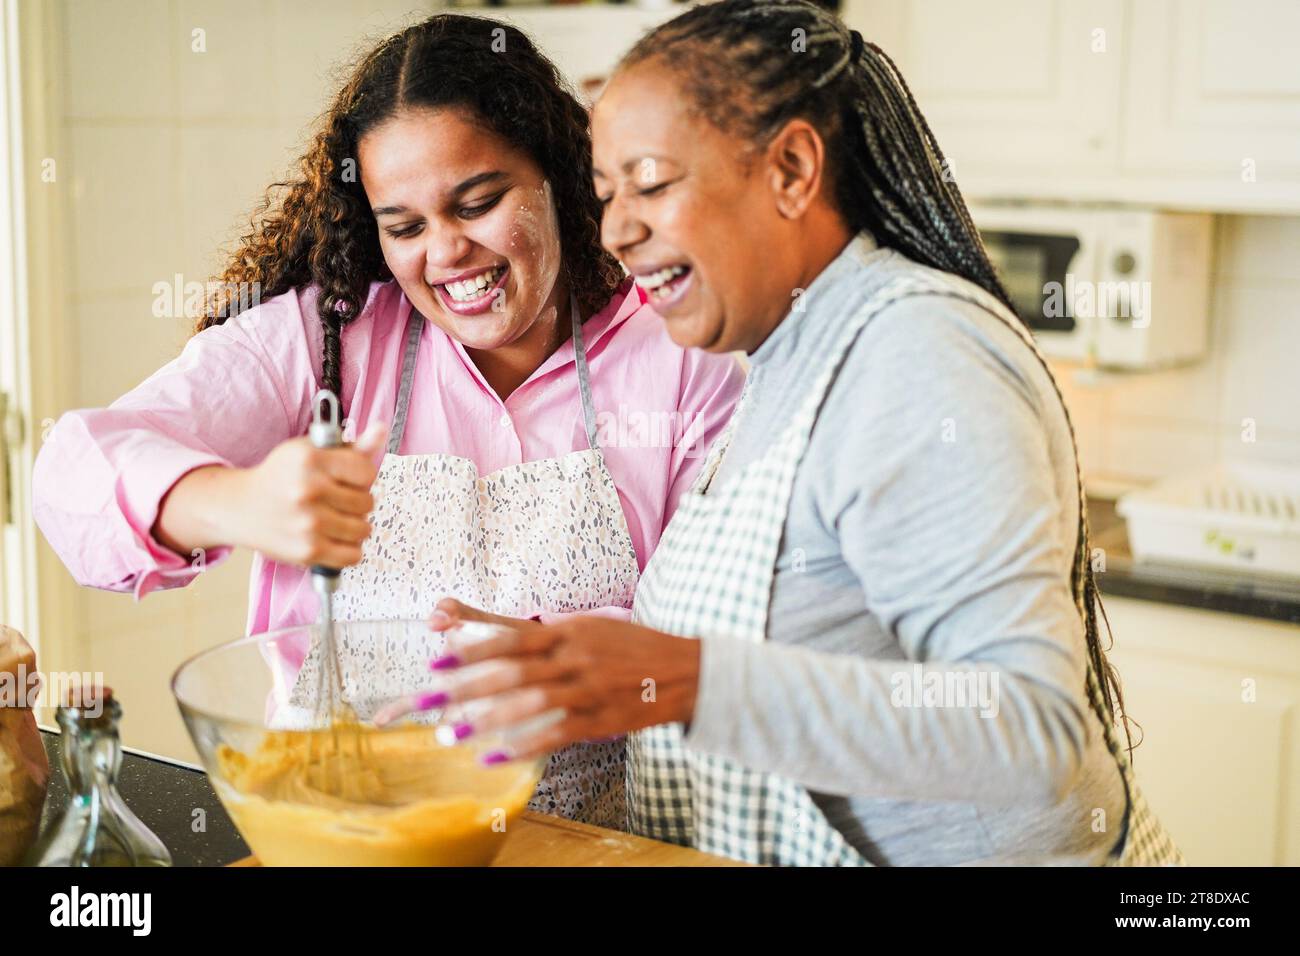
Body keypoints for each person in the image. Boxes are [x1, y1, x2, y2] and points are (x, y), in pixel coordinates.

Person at [423, 0, 1184, 865]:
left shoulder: (916, 353)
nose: (618, 230)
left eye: (652, 184)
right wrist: (569, 664)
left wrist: (683, 679)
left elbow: (1029, 728)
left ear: (789, 168)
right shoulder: (787, 357)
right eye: (605, 195)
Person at [32, 14, 744, 829]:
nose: (445, 254)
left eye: (477, 203)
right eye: (404, 226)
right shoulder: (326, 341)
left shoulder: (681, 353)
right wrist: (233, 502)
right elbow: (69, 471)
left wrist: (565, 659)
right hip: (340, 830)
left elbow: (723, 632)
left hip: (603, 839)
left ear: (557, 173)